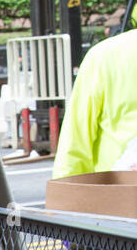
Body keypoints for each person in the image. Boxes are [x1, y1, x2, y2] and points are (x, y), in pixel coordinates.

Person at [53, 26, 137, 178]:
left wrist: (65, 194)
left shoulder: (106, 55)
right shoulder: (106, 55)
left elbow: (75, 139)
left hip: (117, 192)